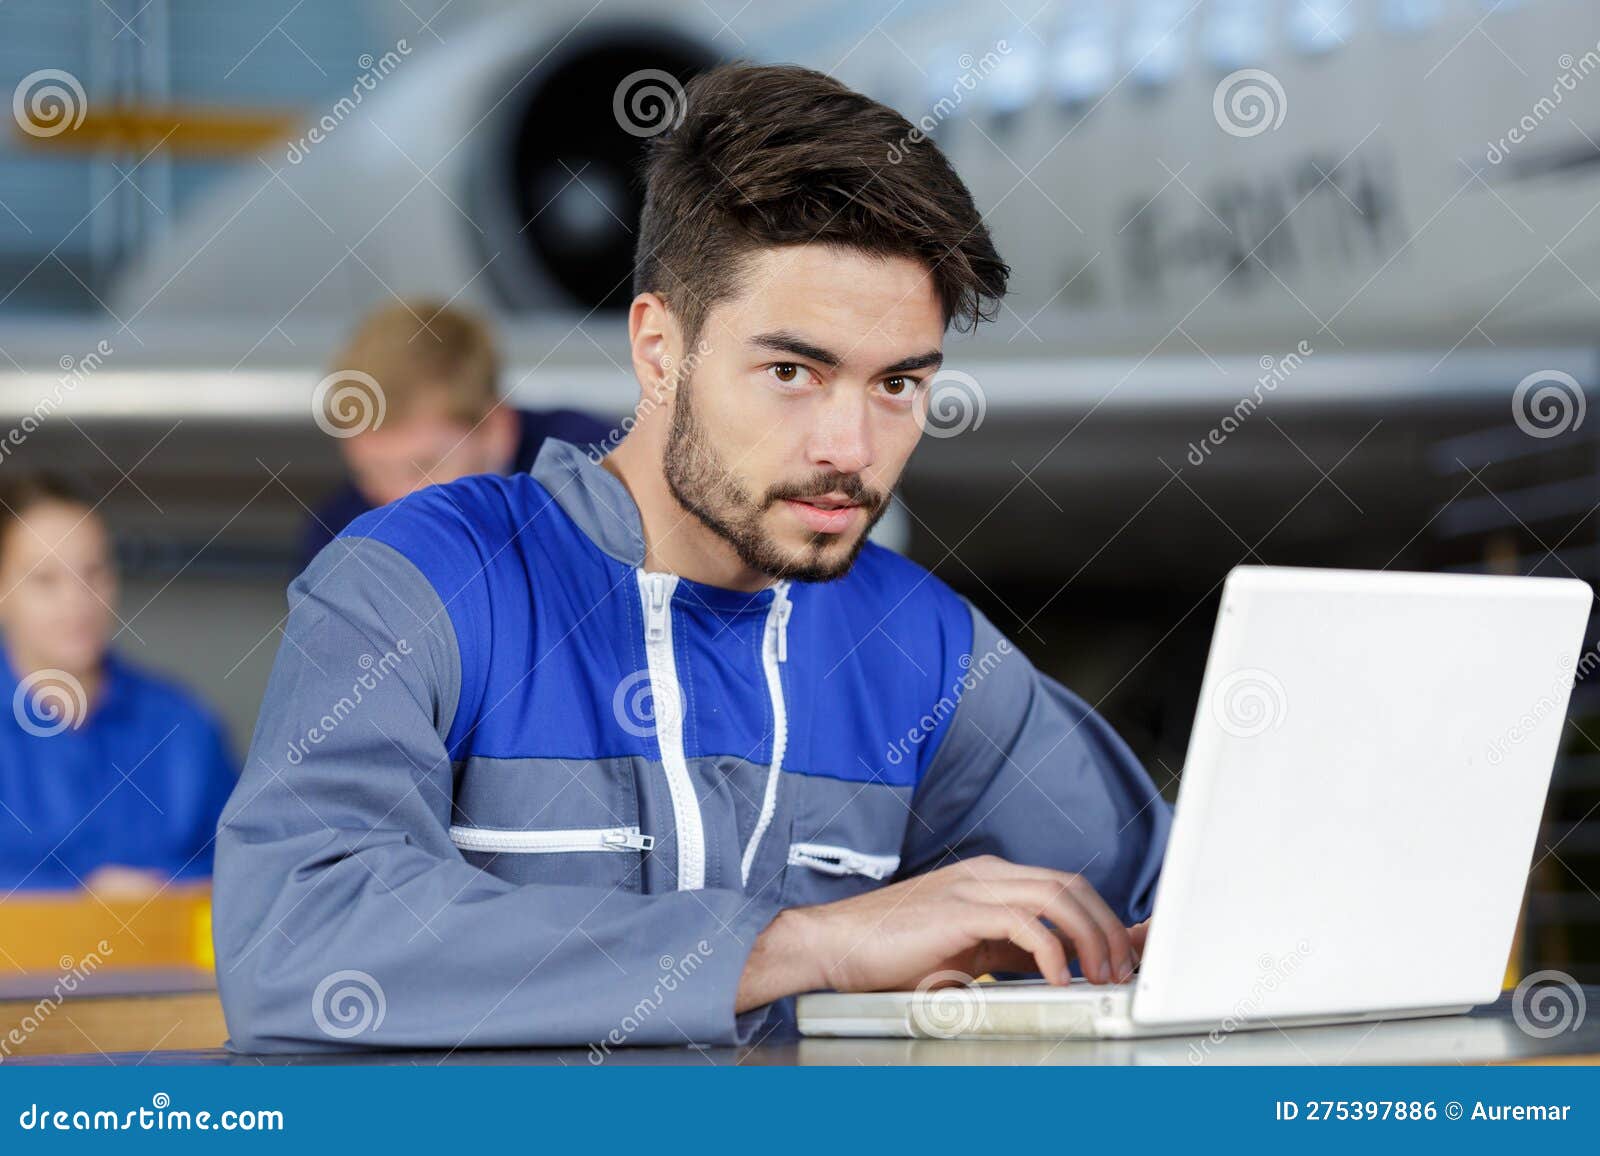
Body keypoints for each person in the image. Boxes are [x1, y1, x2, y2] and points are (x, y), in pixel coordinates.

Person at [215, 63, 1172, 1053]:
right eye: (793, 371)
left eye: (897, 384)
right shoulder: (415, 582)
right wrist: (810, 946)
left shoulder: (916, 643)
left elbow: (1179, 898)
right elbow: (297, 940)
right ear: (658, 347)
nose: (849, 447)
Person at [0, 471, 236, 895]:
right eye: (44, 580)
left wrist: (163, 894)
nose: (77, 601)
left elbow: (249, 873)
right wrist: (78, 900)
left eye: (93, 572)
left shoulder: (182, 724)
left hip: (166, 958)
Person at [296, 299, 613, 570]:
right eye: (371, 471)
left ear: (496, 431)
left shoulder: (597, 477)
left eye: (423, 465)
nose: (396, 502)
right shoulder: (339, 536)